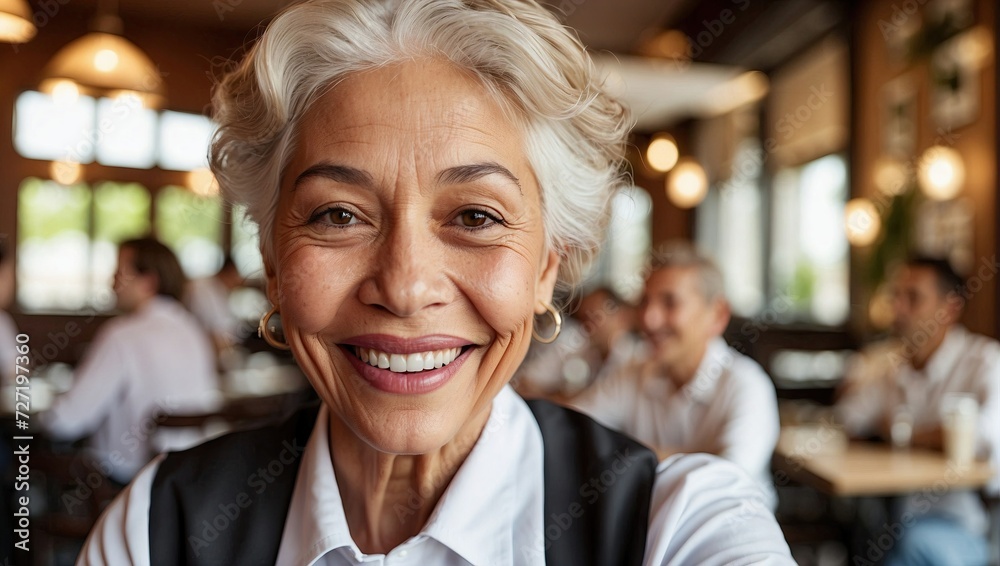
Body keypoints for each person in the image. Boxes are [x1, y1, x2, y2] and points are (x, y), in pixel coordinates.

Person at [79, 1, 795, 563]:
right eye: (337, 215)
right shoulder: (157, 529)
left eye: (477, 217)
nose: (406, 285)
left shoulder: (676, 525)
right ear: (272, 259)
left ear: (547, 266)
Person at [571, 244, 780, 507]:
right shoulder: (632, 372)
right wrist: (700, 458)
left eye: (670, 303)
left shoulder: (746, 385)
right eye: (644, 302)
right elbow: (570, 429)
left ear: (717, 315)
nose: (649, 319)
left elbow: (730, 481)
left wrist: (631, 457)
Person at [836, 257, 999, 566]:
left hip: (966, 528)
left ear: (949, 308)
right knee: (865, 537)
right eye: (895, 296)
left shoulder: (985, 362)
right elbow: (848, 416)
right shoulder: (894, 366)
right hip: (894, 521)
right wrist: (860, 372)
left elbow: (985, 436)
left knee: (907, 547)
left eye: (913, 297)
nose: (898, 308)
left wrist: (900, 432)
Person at [40, 238, 218, 484]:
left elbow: (68, 420)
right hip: (188, 480)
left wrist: (37, 415)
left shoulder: (123, 334)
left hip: (124, 484)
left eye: (120, 273)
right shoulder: (194, 330)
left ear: (149, 281)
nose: (112, 283)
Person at [514, 287, 645, 398]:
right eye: (584, 318)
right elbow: (526, 383)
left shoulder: (634, 357)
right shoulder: (578, 346)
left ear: (622, 317)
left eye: (596, 317)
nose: (588, 326)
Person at [185, 255, 244, 353]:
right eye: (237, 275)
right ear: (230, 272)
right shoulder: (205, 290)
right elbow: (218, 337)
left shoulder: (215, 288)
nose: (239, 281)